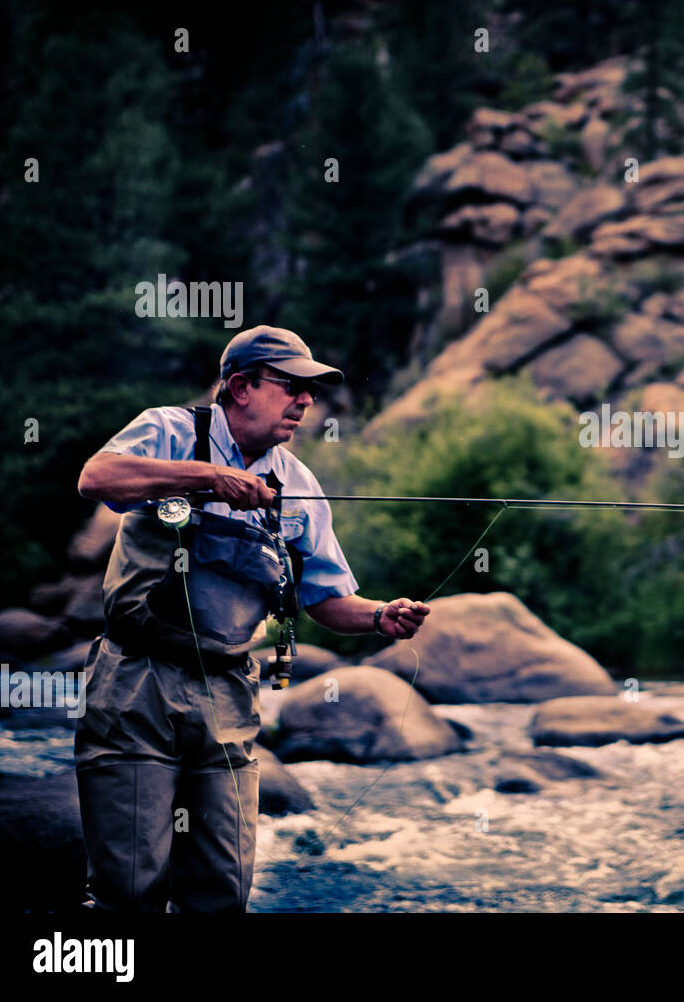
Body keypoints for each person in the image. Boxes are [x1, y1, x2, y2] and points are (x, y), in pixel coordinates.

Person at [74, 325, 430, 912]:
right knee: (128, 889)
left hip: (230, 694)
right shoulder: (170, 430)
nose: (306, 401)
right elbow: (97, 479)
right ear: (241, 387)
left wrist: (379, 616)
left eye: (311, 390)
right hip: (137, 684)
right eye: (291, 386)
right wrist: (210, 478)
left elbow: (325, 599)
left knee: (223, 890)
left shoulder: (299, 482)